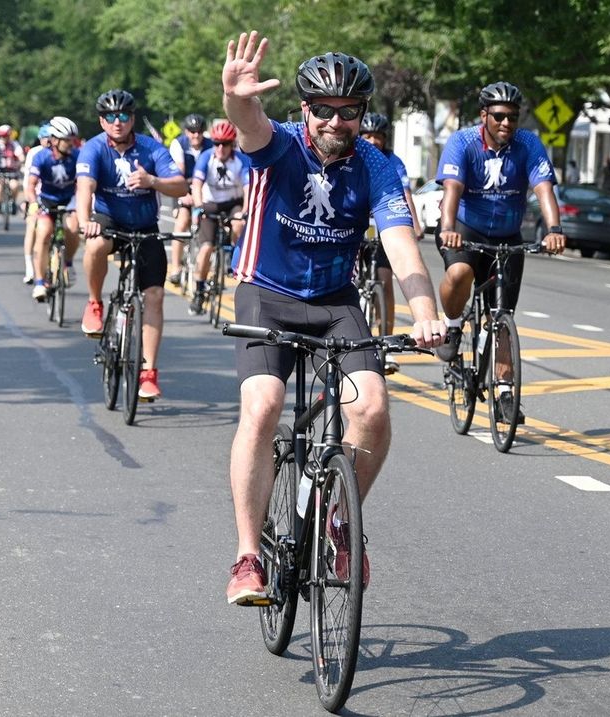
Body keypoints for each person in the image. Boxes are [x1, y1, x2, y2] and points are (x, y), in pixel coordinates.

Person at [220, 33, 446, 605]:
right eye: (324, 110)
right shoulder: (281, 147)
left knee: (371, 406)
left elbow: (400, 247)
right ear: (305, 111)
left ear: (362, 116)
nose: (335, 122)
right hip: (265, 294)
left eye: (348, 113)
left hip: (334, 301)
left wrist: (426, 313)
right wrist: (237, 96)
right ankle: (248, 555)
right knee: (265, 405)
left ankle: (340, 525)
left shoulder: (377, 165)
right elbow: (249, 124)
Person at [433, 81, 566, 423]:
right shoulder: (463, 142)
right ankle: (450, 326)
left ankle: (504, 393)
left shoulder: (527, 144)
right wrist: (447, 230)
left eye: (513, 117)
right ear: (484, 116)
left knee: (501, 317)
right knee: (460, 273)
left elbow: (544, 189)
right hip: (465, 231)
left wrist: (554, 230)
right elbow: (452, 190)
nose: (506, 124)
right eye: (499, 116)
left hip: (507, 237)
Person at [76, 89, 188, 400]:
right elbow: (84, 187)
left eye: (123, 116)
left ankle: (148, 372)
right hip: (109, 219)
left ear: (132, 119)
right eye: (110, 117)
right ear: (102, 121)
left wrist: (153, 181)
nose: (117, 122)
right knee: (96, 245)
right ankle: (95, 302)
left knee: (153, 296)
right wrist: (85, 220)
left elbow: (181, 186)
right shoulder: (94, 149)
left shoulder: (152, 149)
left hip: (144, 224)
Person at [358, 110, 426, 373]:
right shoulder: (352, 155)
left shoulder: (393, 162)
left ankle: (385, 345)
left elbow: (404, 194)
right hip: (357, 225)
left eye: (378, 136)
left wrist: (415, 224)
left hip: (384, 226)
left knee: (385, 283)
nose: (373, 141)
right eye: (368, 135)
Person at [188, 119, 250, 314]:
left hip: (234, 202)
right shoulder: (206, 157)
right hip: (211, 203)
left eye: (225, 144)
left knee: (239, 223)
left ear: (232, 144)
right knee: (206, 249)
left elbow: (249, 188)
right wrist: (198, 208)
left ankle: (232, 254)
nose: (220, 148)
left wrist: (245, 211)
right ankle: (199, 291)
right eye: (217, 143)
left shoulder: (241, 160)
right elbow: (197, 184)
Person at [26, 116, 81, 301]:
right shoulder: (41, 157)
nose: (70, 144)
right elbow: (31, 185)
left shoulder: (77, 156)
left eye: (72, 139)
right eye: (67, 140)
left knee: (73, 228)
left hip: (68, 199)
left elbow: (84, 183)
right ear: (55, 140)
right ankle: (40, 282)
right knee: (43, 233)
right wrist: (33, 203)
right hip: (47, 200)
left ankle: (68, 263)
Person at [168, 113, 214, 286]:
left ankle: (210, 267)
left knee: (212, 225)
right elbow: (177, 173)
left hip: (205, 191)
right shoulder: (178, 144)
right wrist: (183, 197)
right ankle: (175, 267)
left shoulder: (211, 145)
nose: (196, 135)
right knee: (181, 223)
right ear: (186, 132)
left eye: (199, 131)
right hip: (184, 189)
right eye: (192, 131)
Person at [20, 123, 53, 283]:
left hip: (55, 197)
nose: (49, 142)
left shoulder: (61, 153)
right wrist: (29, 200)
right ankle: (29, 267)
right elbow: (29, 180)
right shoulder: (35, 153)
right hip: (37, 195)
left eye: (51, 138)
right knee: (32, 226)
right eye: (45, 138)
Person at [0, 124, 25, 205]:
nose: (3, 138)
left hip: (13, 171)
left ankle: (13, 202)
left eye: (5, 136)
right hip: (0, 170)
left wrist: (20, 163)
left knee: (14, 186)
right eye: (2, 136)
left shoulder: (14, 144)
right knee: (0, 184)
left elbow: (21, 156)